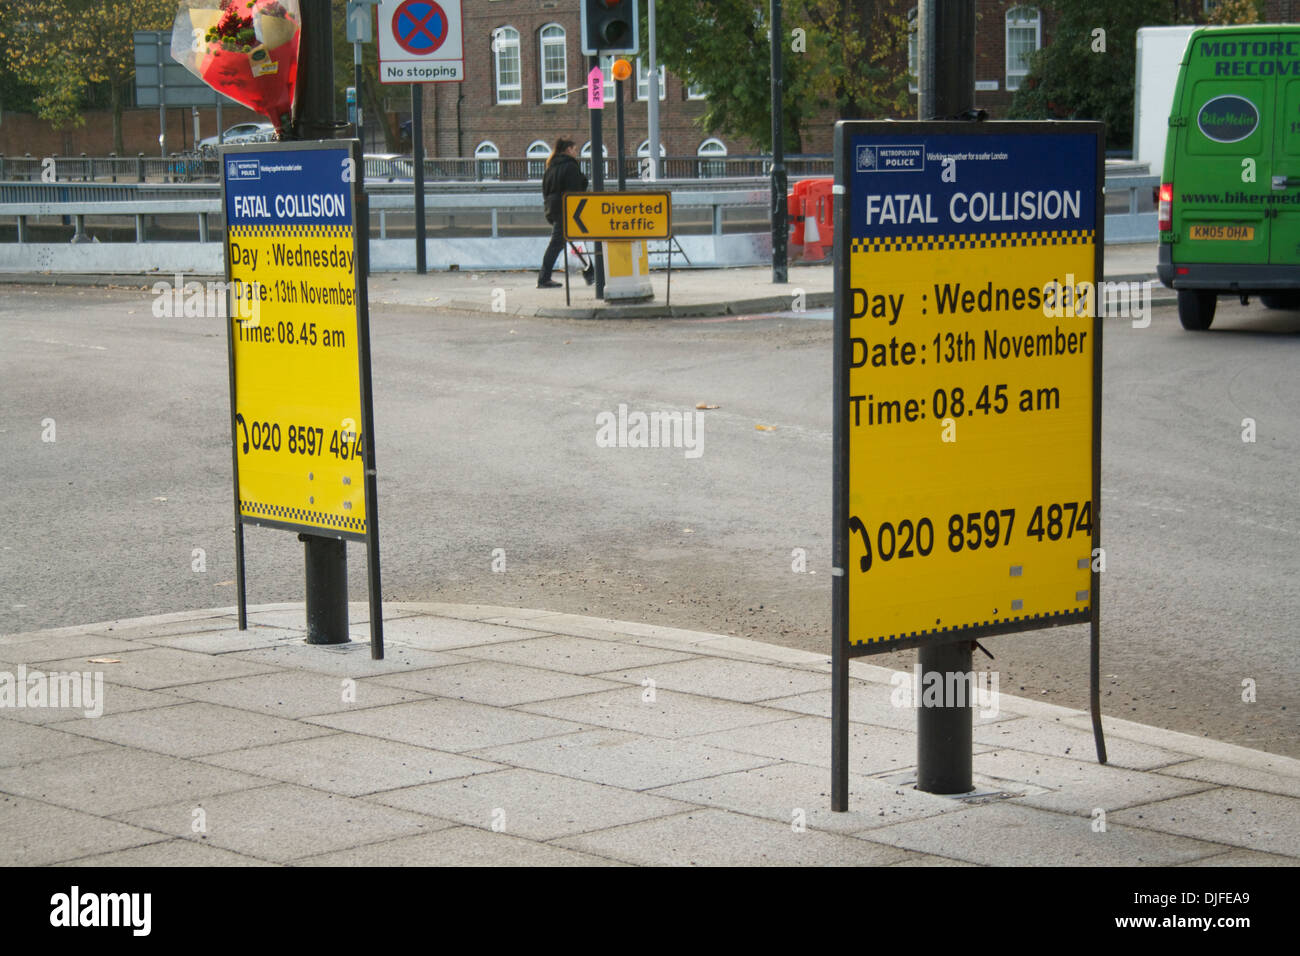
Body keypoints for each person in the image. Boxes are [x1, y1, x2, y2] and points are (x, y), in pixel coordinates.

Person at [539, 137, 595, 288]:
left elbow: (545, 190)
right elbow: (575, 191)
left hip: (553, 209)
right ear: (568, 149)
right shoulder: (570, 166)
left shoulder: (550, 166)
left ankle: (590, 274)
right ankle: (543, 279)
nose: (576, 153)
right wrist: (584, 181)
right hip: (567, 210)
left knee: (575, 241)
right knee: (557, 244)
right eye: (575, 149)